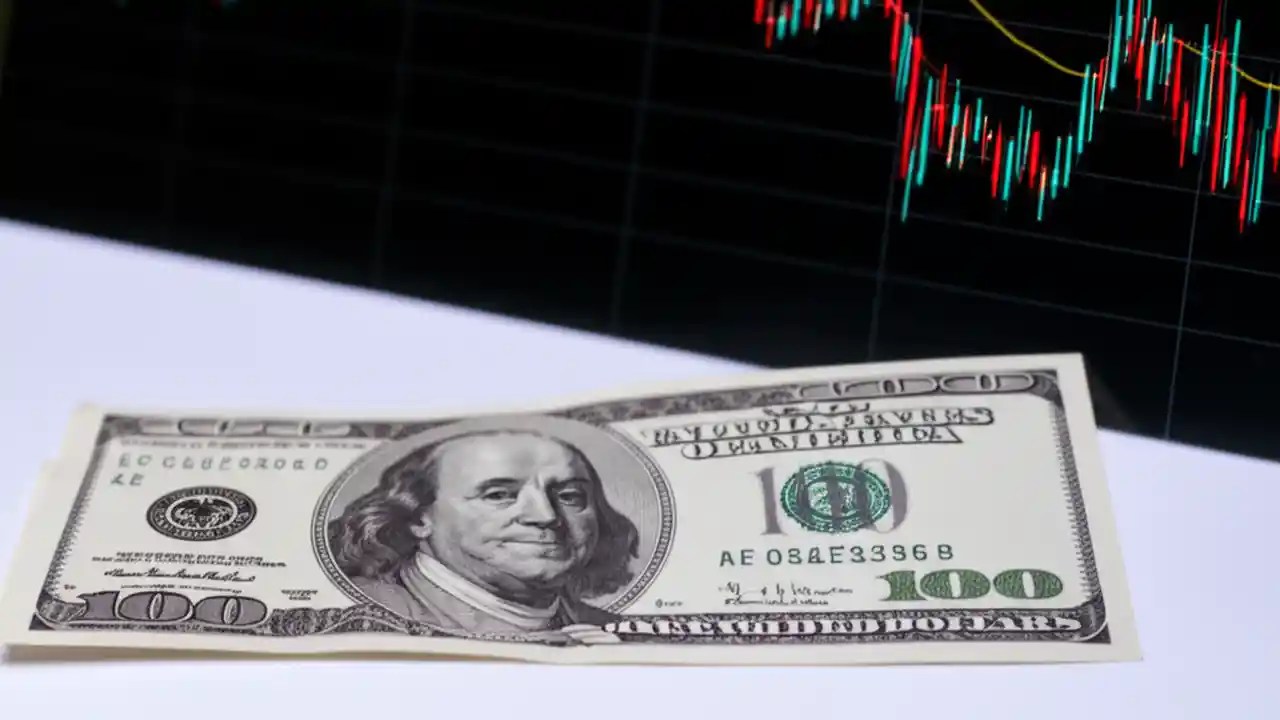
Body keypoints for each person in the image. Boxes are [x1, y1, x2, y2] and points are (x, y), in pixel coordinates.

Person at [328, 429, 639, 641]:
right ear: (419, 518)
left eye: (570, 496)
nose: (546, 516)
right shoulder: (363, 615)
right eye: (499, 495)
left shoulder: (610, 631)